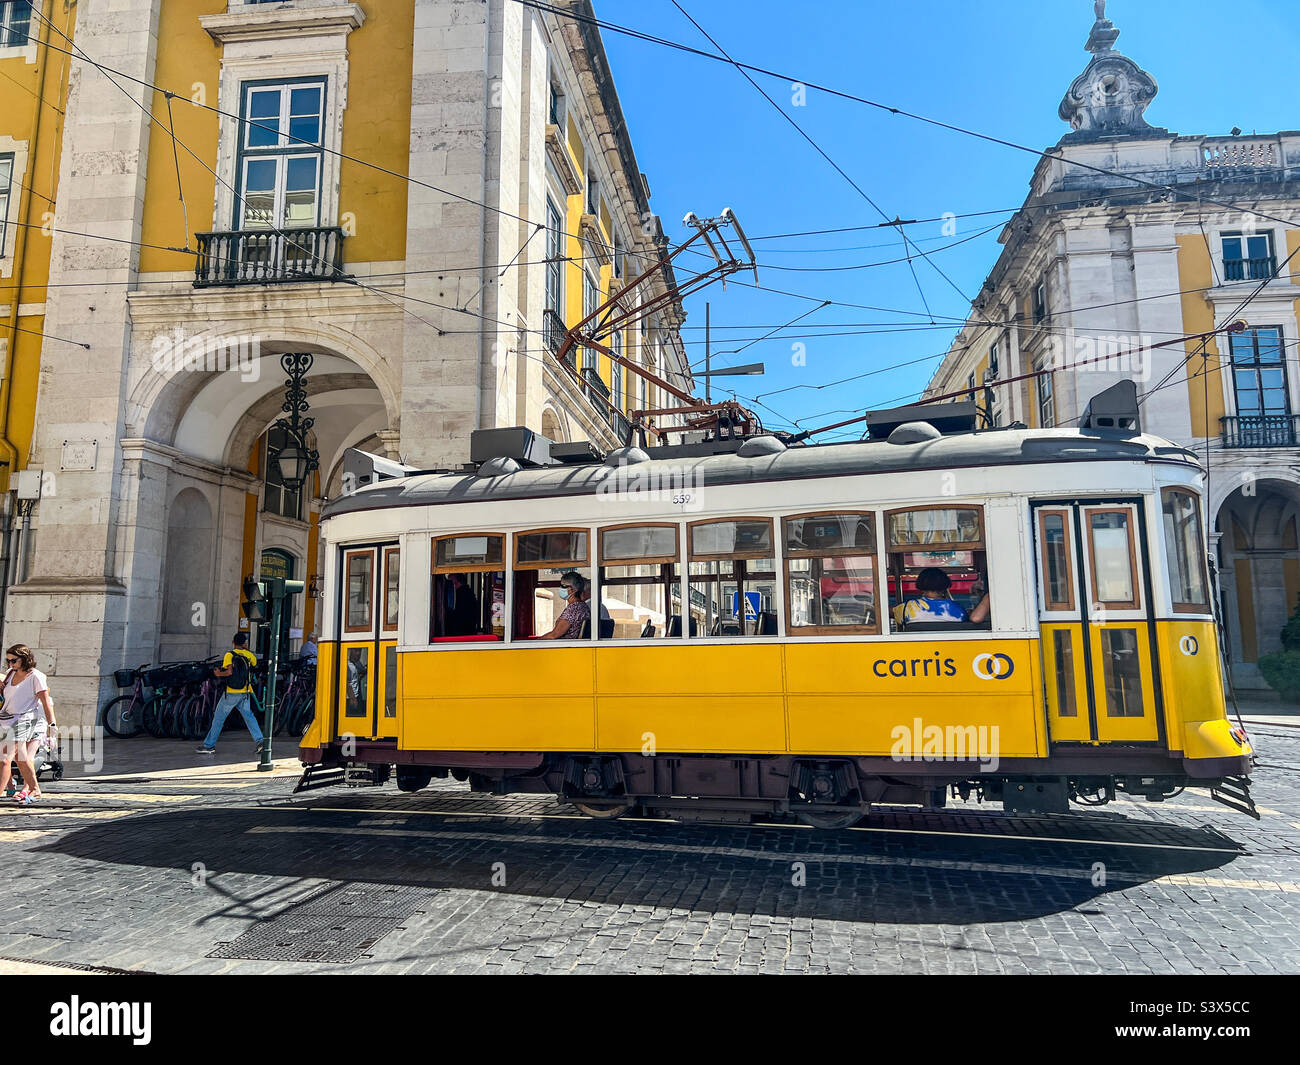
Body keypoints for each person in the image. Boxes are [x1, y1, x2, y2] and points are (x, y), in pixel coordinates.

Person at [0, 644, 55, 805]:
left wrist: (52, 725)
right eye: (8, 660)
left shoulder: (36, 676)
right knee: (21, 759)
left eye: (14, 660)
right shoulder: (10, 674)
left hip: (25, 720)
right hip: (6, 719)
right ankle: (35, 789)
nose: (10, 664)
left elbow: (46, 702)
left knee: (4, 758)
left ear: (24, 658)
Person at [197, 633, 264, 755]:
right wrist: (247, 649)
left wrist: (218, 674)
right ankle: (260, 741)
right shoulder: (249, 655)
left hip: (231, 693)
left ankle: (209, 746)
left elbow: (229, 672)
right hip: (245, 692)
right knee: (249, 717)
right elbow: (254, 664)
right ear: (245, 643)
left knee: (218, 718)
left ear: (233, 642)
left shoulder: (230, 655)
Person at [902, 568, 990, 625]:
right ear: (946, 586)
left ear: (920, 584)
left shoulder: (908, 608)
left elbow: (890, 613)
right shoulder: (958, 610)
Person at [536, 571, 589, 640]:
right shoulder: (583, 606)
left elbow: (554, 635)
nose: (560, 588)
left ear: (574, 590)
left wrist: (537, 641)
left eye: (563, 586)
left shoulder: (573, 609)